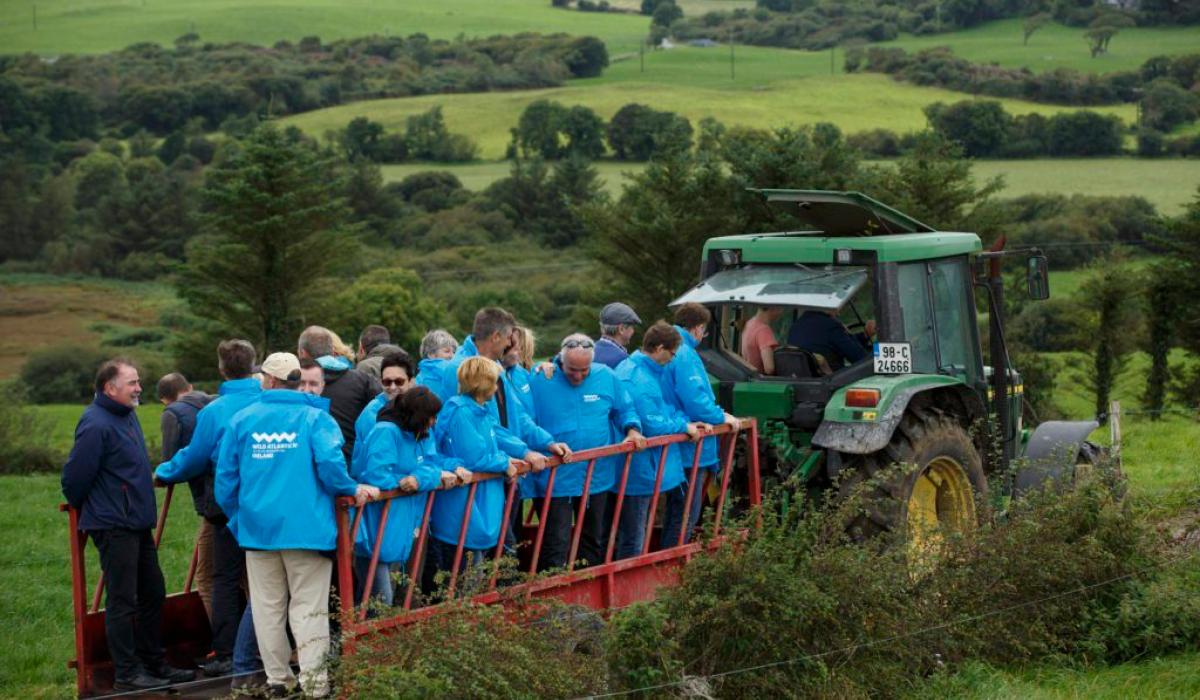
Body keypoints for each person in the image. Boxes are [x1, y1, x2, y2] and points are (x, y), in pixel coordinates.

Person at [215, 352, 379, 698]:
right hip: (309, 530)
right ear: (293, 380)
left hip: (258, 532)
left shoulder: (243, 419)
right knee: (309, 609)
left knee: (266, 608)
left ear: (269, 380)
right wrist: (351, 489)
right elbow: (332, 468)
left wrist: (239, 519)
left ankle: (278, 681)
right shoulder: (316, 419)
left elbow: (226, 481)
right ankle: (315, 685)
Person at [62, 359, 195, 691]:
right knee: (122, 599)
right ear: (110, 388)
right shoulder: (95, 423)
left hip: (136, 521)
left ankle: (154, 663)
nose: (139, 388)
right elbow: (74, 479)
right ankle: (127, 672)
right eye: (132, 383)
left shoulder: (126, 415)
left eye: (138, 381)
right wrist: (103, 507)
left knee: (153, 592)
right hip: (113, 523)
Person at [154, 340, 262, 676]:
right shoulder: (266, 400)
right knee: (266, 577)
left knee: (225, 578)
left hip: (226, 507)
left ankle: (227, 653)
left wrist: (164, 471)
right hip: (267, 503)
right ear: (255, 364)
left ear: (221, 369)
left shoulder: (214, 410)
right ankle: (270, 646)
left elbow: (194, 457)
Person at [529, 334, 645, 570]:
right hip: (555, 480)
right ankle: (552, 599)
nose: (578, 376)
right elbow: (523, 417)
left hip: (597, 478)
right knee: (555, 543)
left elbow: (625, 408)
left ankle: (586, 598)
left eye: (585, 370)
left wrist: (632, 429)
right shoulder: (541, 377)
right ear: (560, 361)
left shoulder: (606, 376)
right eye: (572, 369)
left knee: (592, 541)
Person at [354, 387, 463, 606]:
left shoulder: (419, 433)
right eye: (431, 416)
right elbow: (376, 475)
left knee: (392, 596)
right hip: (378, 524)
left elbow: (431, 465)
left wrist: (418, 480)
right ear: (419, 415)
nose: (434, 422)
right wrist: (407, 482)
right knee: (379, 600)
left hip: (400, 522)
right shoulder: (386, 431)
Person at [613, 323, 706, 559]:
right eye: (672, 354)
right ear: (660, 348)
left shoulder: (647, 372)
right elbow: (652, 424)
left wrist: (683, 421)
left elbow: (666, 409)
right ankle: (630, 589)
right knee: (634, 534)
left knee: (638, 528)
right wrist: (683, 426)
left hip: (650, 463)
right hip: (639, 465)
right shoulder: (637, 379)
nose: (673, 359)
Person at [428, 358, 516, 586]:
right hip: (463, 507)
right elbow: (474, 457)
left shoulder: (480, 411)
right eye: (494, 382)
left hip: (479, 504)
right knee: (465, 577)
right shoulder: (461, 412)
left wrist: (524, 452)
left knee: (474, 574)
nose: (497, 388)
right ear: (482, 383)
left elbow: (496, 441)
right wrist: (504, 462)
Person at [662, 303, 741, 548]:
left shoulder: (665, 345)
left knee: (675, 511)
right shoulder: (684, 353)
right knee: (685, 514)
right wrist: (721, 416)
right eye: (704, 332)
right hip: (690, 447)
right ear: (698, 328)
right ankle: (671, 568)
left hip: (673, 440)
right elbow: (695, 399)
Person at [156, 373, 214, 620]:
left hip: (212, 502)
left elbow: (173, 459)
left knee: (207, 577)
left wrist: (161, 474)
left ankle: (231, 650)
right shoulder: (213, 402)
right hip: (239, 501)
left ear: (163, 400)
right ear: (189, 387)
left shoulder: (173, 413)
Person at [298, 325, 383, 462]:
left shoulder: (292, 384)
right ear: (333, 352)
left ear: (302, 353)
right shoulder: (363, 380)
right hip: (352, 465)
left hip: (307, 465)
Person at [350, 351, 416, 478]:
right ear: (381, 382)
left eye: (399, 381)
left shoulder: (416, 407)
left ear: (411, 381)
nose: (392, 387)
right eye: (387, 382)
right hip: (384, 490)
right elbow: (376, 469)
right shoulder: (372, 413)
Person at [786, 309, 876, 369]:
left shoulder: (796, 325)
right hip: (831, 380)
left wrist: (865, 335)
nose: (838, 313)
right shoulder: (831, 326)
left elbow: (840, 343)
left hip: (806, 379)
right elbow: (860, 359)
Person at [413, 329, 458, 400]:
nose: (452, 356)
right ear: (431, 354)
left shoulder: (419, 378)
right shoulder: (451, 372)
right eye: (447, 351)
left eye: (454, 352)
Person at [594, 302, 642, 369]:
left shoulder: (587, 352)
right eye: (632, 327)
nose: (633, 331)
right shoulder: (623, 361)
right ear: (621, 329)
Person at [740, 305, 784, 375]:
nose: (781, 312)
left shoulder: (749, 323)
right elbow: (769, 368)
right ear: (771, 308)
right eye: (780, 308)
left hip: (750, 376)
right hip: (760, 381)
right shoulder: (763, 330)